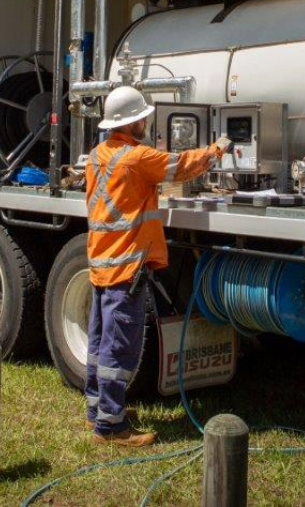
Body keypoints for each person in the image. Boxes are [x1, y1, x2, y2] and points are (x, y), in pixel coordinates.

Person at [84, 85, 230, 446]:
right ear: (133, 123)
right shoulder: (136, 157)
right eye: (144, 117)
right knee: (120, 348)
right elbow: (181, 168)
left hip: (103, 261)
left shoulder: (96, 155)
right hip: (126, 266)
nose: (148, 121)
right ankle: (111, 428)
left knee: (100, 341)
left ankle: (99, 411)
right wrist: (217, 149)